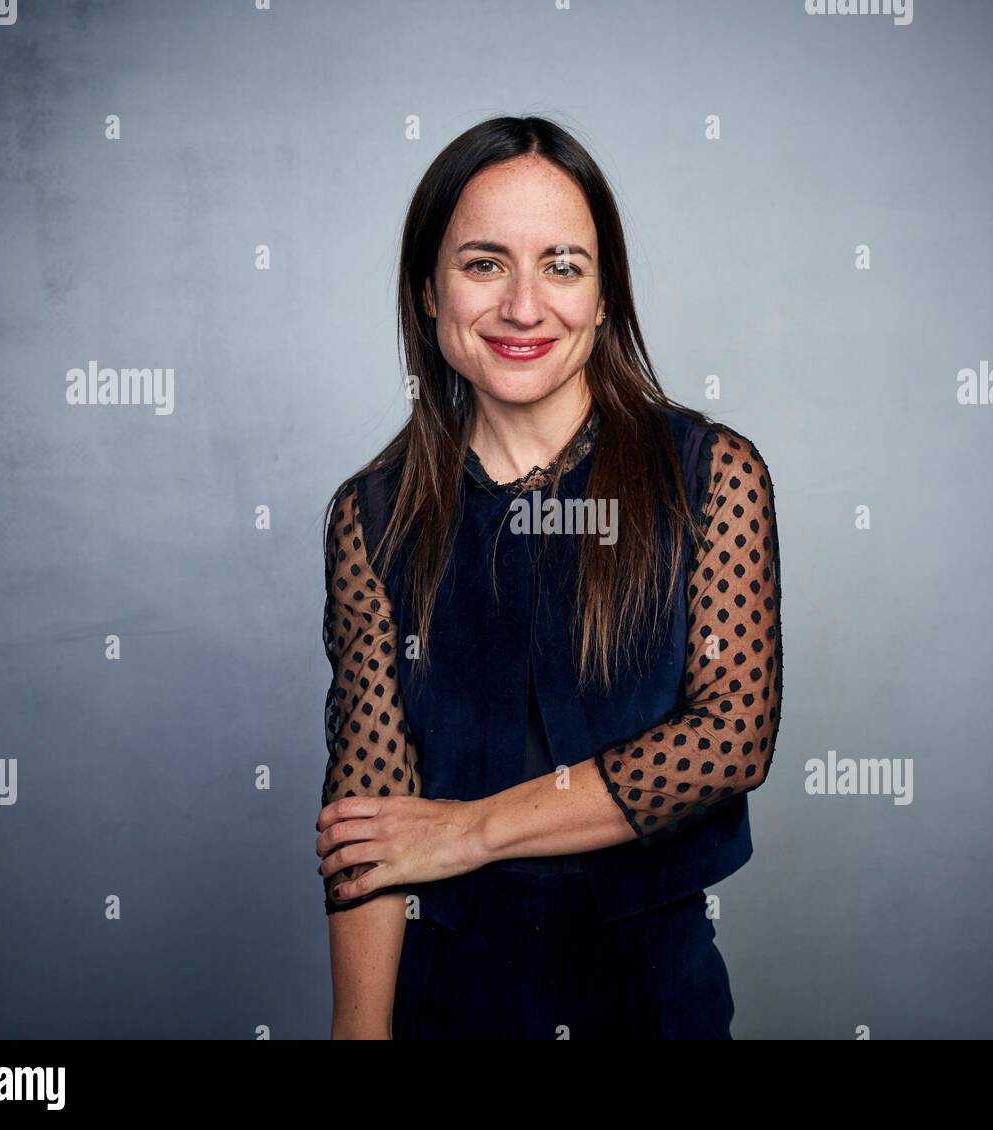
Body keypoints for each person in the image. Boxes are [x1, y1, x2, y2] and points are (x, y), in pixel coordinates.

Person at [314, 115, 782, 1040]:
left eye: (563, 265)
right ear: (427, 293)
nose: (524, 307)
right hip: (448, 1005)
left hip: (655, 1005)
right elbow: (368, 821)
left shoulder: (712, 474)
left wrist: (466, 828)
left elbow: (729, 740)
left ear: (605, 297)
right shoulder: (369, 515)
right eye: (484, 264)